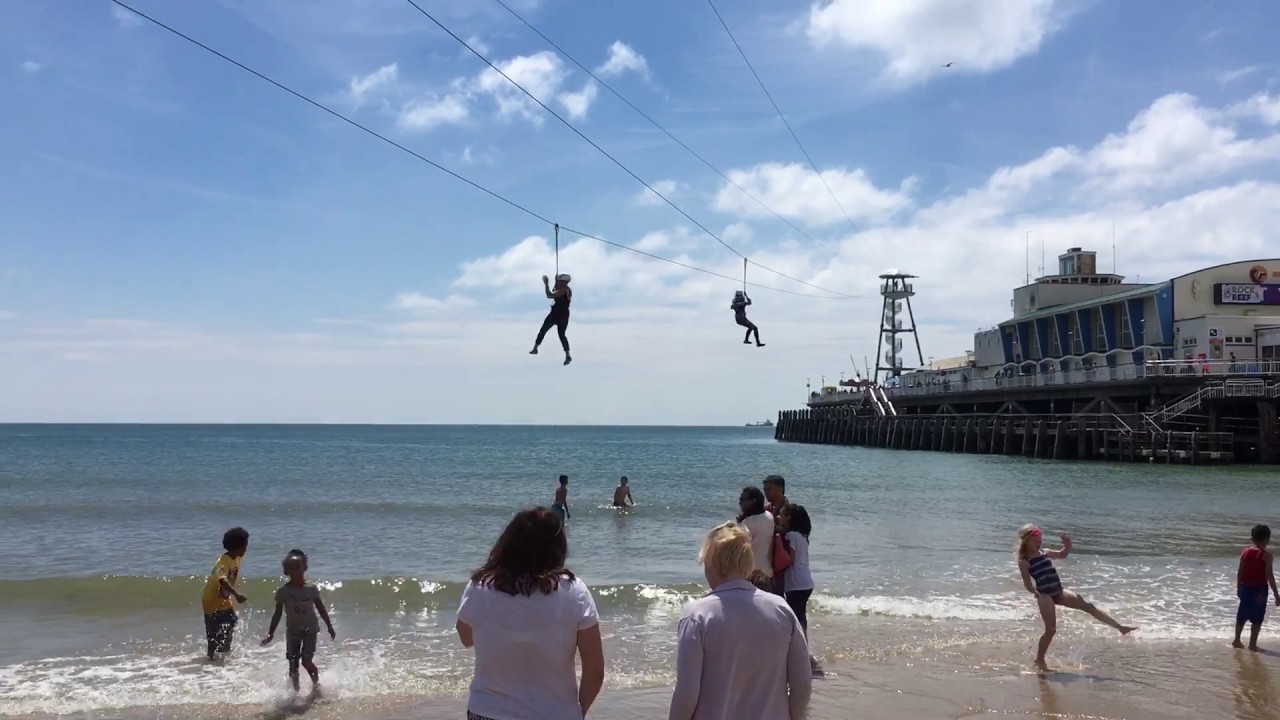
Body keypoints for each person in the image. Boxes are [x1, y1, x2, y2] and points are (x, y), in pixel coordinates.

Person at [456, 507, 605, 720]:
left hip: (488, 712)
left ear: (507, 544)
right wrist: (577, 712)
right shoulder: (574, 591)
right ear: (557, 548)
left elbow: (466, 638)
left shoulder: (481, 586)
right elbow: (595, 670)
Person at [669, 522, 811, 720]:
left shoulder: (697, 615)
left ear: (712, 564)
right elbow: (802, 685)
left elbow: (687, 694)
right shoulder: (781, 609)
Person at [1016, 524, 1137, 670]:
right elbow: (1028, 584)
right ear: (1027, 541)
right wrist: (1036, 593)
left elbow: (1062, 554)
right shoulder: (1024, 561)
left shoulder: (1044, 552)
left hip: (1058, 591)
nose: (1039, 543)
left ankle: (1120, 627)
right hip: (1044, 595)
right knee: (1051, 630)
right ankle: (1039, 660)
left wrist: (1067, 546)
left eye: (1040, 540)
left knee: (1089, 607)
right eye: (1036, 541)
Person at [262, 553, 336, 692]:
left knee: (306, 661)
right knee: (293, 663)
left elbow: (320, 608)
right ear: (286, 572)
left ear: (305, 567)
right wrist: (270, 633)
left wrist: (329, 626)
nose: (296, 571)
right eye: (291, 568)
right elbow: (277, 613)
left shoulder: (311, 589)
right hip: (293, 630)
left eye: (298, 567)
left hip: (310, 630)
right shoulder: (284, 591)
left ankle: (316, 686)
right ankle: (295, 693)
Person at [779, 504, 821, 674]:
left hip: (796, 583)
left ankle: (797, 652)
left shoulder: (791, 535)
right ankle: (803, 649)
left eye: (781, 515)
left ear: (789, 517)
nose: (779, 517)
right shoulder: (802, 536)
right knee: (800, 616)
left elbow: (789, 559)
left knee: (795, 618)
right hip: (806, 582)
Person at [201, 527, 249, 661]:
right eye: (244, 546)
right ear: (236, 547)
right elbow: (222, 579)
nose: (246, 549)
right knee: (213, 632)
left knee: (231, 621)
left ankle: (224, 652)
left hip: (223, 598)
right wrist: (236, 594)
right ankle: (210, 659)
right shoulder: (223, 561)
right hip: (211, 600)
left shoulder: (236, 558)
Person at [1233, 524, 1280, 651]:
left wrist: (1239, 587)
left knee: (1241, 616)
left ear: (1252, 539)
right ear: (1268, 540)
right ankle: (1252, 644)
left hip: (1246, 588)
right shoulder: (1267, 555)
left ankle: (1237, 639)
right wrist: (1276, 594)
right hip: (1260, 591)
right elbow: (1269, 575)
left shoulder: (1245, 552)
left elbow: (1240, 571)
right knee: (1257, 619)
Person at [737, 486, 774, 591]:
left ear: (753, 501)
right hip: (767, 572)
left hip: (751, 573)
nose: (740, 503)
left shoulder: (747, 523)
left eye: (743, 499)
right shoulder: (769, 516)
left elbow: (740, 549)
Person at [531, 273, 573, 366]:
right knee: (562, 335)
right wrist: (555, 281)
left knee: (543, 330)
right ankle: (567, 355)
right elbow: (556, 290)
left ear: (563, 282)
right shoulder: (567, 289)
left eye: (559, 281)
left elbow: (549, 295)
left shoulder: (562, 290)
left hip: (556, 314)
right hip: (564, 314)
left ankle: (535, 348)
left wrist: (546, 284)